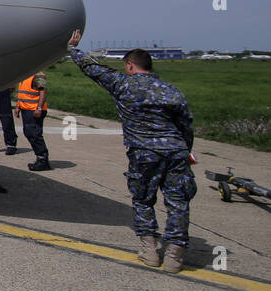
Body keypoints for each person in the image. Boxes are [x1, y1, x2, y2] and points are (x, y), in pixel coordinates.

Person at [67, 30, 196, 272]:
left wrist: (73, 48)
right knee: (178, 203)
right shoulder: (171, 90)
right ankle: (175, 256)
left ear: (129, 65)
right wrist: (185, 150)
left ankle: (149, 251)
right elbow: (186, 125)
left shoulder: (123, 85)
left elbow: (92, 69)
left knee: (143, 200)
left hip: (144, 152)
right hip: (176, 151)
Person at [14, 70, 50, 171]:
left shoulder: (38, 74)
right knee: (29, 133)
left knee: (34, 134)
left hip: (34, 110)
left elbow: (43, 91)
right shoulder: (25, 74)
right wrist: (18, 106)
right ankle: (41, 158)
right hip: (26, 109)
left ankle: (43, 160)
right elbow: (22, 93)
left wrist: (39, 108)